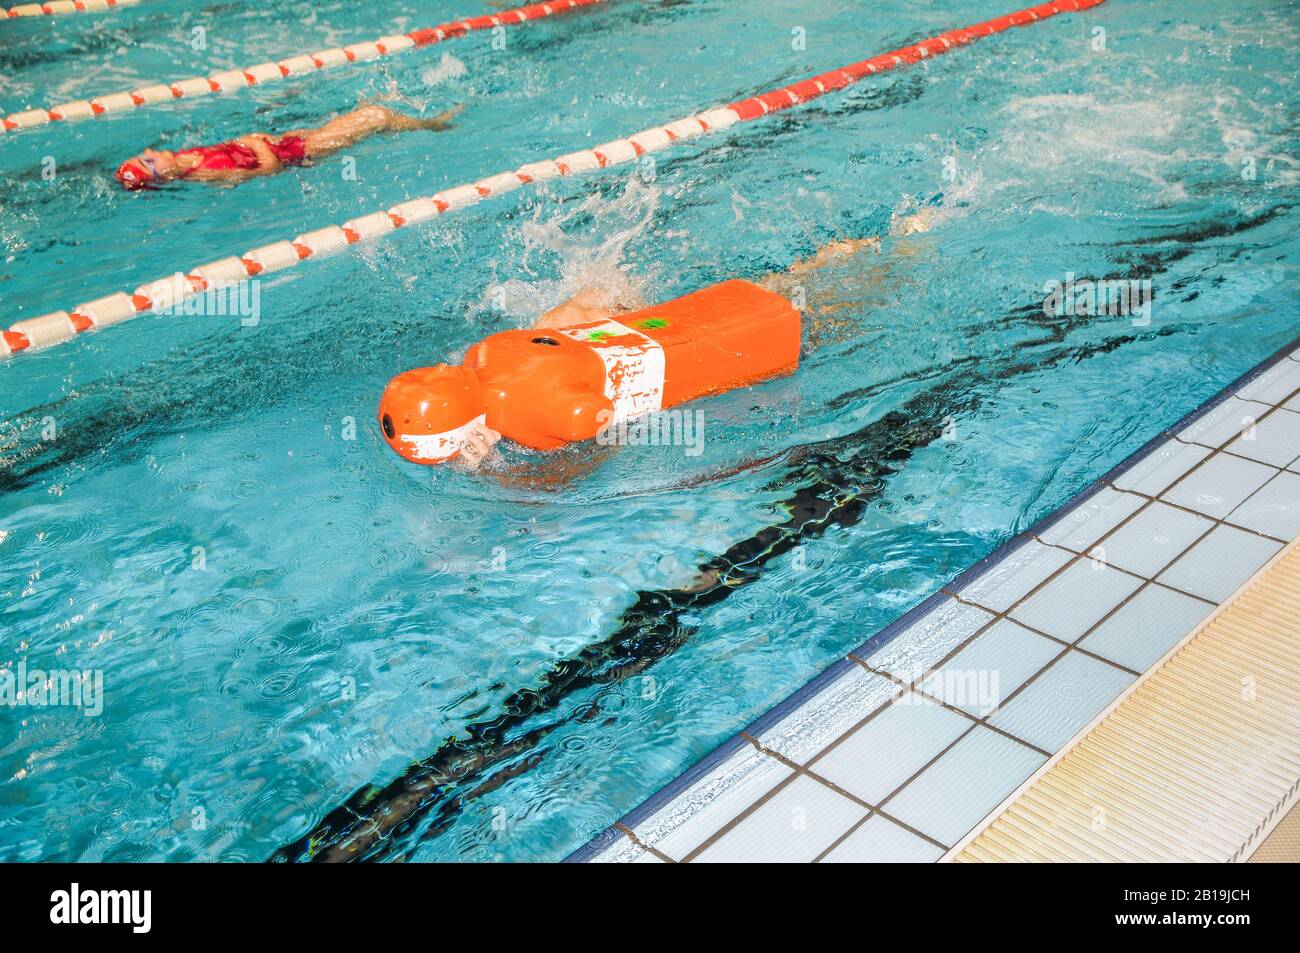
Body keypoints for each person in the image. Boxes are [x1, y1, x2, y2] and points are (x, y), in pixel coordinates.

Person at [451, 208, 937, 469]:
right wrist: (489, 464)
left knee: (825, 311)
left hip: (737, 341)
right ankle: (880, 254)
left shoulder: (549, 334)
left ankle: (903, 253)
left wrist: (503, 473)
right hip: (721, 342)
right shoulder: (527, 365)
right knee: (800, 295)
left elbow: (583, 461)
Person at [114, 103, 462, 190]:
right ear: (163, 175)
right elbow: (268, 170)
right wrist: (253, 142)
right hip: (301, 152)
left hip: (286, 142)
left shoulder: (186, 159)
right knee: (376, 116)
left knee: (369, 114)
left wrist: (251, 141)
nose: (150, 151)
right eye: (148, 160)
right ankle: (435, 125)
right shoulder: (202, 173)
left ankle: (416, 123)